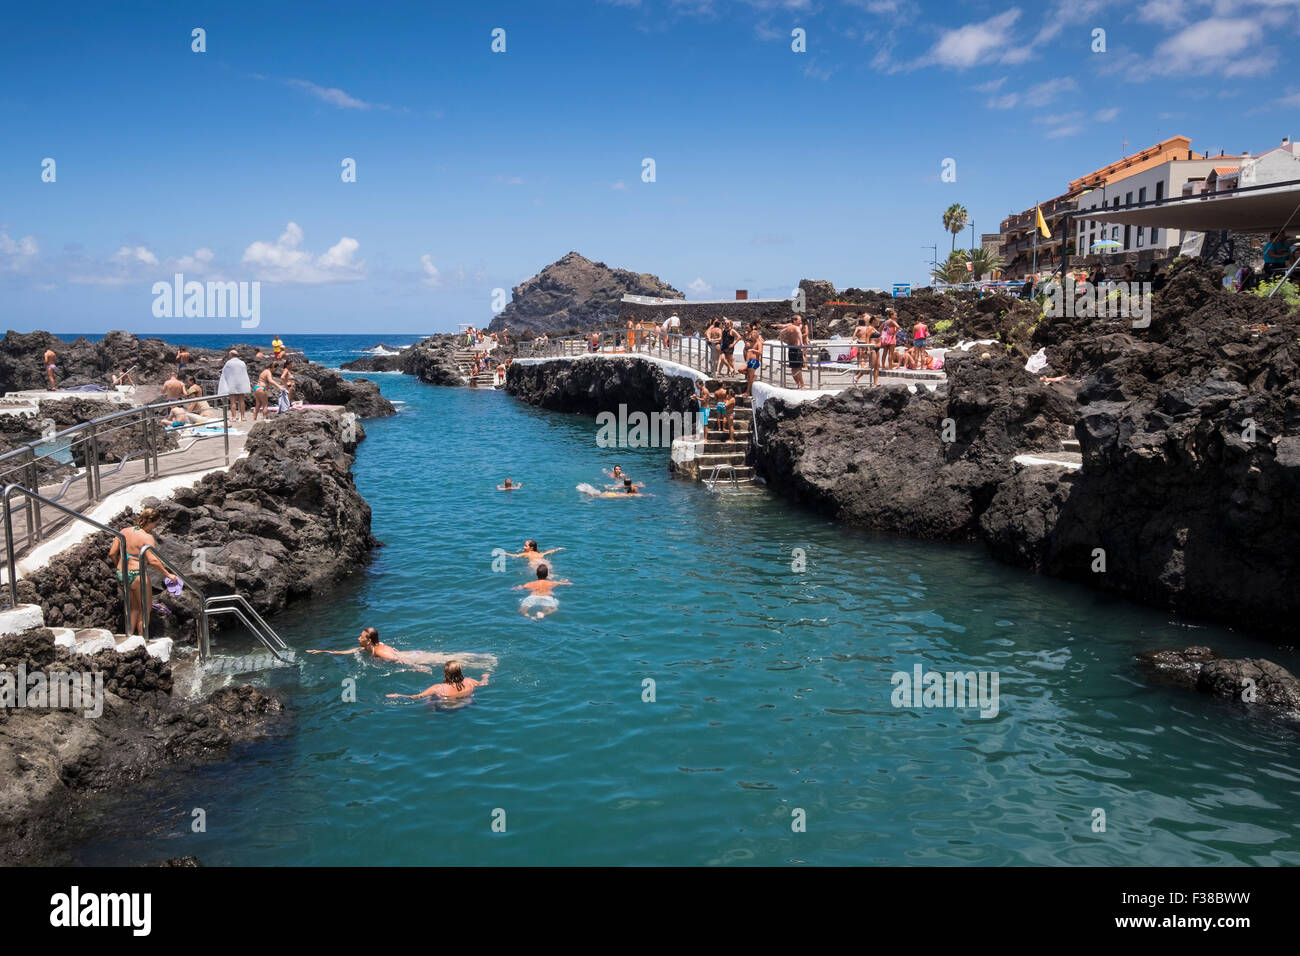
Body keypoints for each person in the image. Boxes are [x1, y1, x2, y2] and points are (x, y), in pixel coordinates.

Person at [107, 507, 178, 637]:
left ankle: (129, 637)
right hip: (137, 574)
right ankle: (142, 639)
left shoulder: (124, 531)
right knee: (145, 609)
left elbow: (112, 553)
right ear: (150, 521)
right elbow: (153, 561)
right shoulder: (147, 538)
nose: (154, 527)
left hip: (121, 574)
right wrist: (168, 575)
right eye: (155, 524)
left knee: (133, 607)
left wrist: (119, 566)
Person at [308, 627, 433, 671]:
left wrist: (419, 668)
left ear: (368, 641)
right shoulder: (367, 648)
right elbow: (347, 652)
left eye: (361, 637)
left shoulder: (379, 651)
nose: (358, 639)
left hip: (414, 658)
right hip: (413, 654)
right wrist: (322, 652)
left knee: (446, 659)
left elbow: (396, 658)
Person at [387, 660, 490, 700]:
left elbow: (416, 697)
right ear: (459, 672)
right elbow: (483, 684)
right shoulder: (469, 681)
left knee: (429, 700)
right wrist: (485, 676)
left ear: (445, 673)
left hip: (446, 709)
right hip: (466, 705)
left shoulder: (438, 688)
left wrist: (399, 695)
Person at [773, 315, 809, 388]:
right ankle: (802, 385)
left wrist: (781, 342)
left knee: (793, 368)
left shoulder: (789, 328)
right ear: (795, 321)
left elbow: (781, 332)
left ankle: (798, 384)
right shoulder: (796, 328)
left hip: (791, 349)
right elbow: (800, 338)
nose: (801, 321)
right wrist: (802, 346)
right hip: (797, 349)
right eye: (799, 320)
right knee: (798, 368)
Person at [217, 349, 251, 422]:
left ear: (231, 355)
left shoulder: (229, 363)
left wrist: (224, 384)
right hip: (241, 383)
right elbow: (244, 373)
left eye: (229, 354)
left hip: (232, 383)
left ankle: (234, 417)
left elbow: (225, 373)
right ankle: (243, 416)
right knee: (242, 401)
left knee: (233, 401)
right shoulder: (242, 363)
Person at [851, 314, 879, 387]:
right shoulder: (870, 328)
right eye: (877, 321)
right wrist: (868, 348)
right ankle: (857, 376)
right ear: (873, 321)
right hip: (872, 348)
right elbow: (867, 338)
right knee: (871, 366)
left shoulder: (875, 328)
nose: (878, 322)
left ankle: (876, 383)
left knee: (877, 367)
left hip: (877, 348)